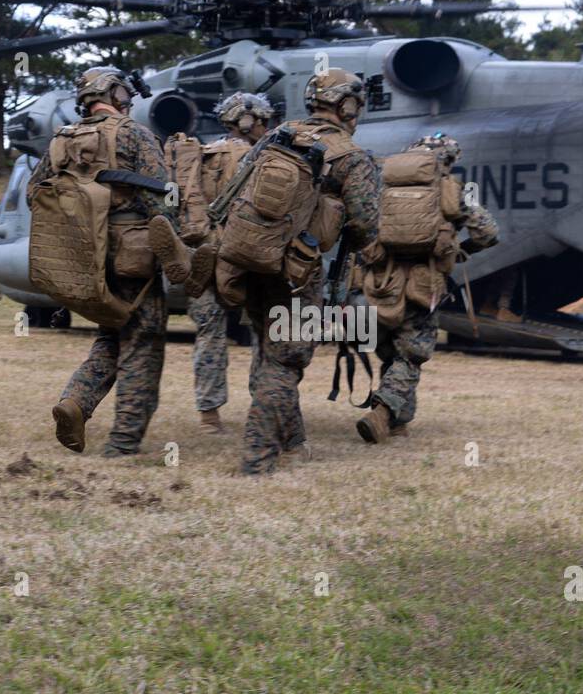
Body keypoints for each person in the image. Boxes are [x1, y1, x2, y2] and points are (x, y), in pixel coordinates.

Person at [31, 65, 204, 458]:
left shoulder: (62, 140)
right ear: (117, 96)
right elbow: (161, 199)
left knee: (111, 335)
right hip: (133, 256)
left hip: (83, 258)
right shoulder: (133, 133)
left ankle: (75, 401)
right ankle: (123, 442)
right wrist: (179, 239)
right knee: (142, 342)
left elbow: (34, 195)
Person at [227, 68, 382, 475]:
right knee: (286, 362)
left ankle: (292, 445)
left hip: (251, 261)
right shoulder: (351, 155)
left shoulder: (273, 137)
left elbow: (234, 187)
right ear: (347, 106)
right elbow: (366, 223)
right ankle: (256, 460)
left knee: (268, 352)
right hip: (298, 273)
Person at [356, 133, 499, 442]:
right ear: (446, 160)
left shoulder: (383, 188)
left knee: (393, 353)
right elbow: (488, 232)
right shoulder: (451, 190)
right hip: (424, 286)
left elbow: (359, 228)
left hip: (380, 283)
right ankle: (382, 411)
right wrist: (463, 250)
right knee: (411, 356)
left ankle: (399, 423)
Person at [169, 92, 274, 434]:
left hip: (207, 255)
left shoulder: (200, 156)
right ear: (255, 121)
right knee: (264, 335)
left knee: (209, 335)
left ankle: (209, 416)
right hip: (253, 260)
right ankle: (264, 407)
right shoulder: (270, 159)